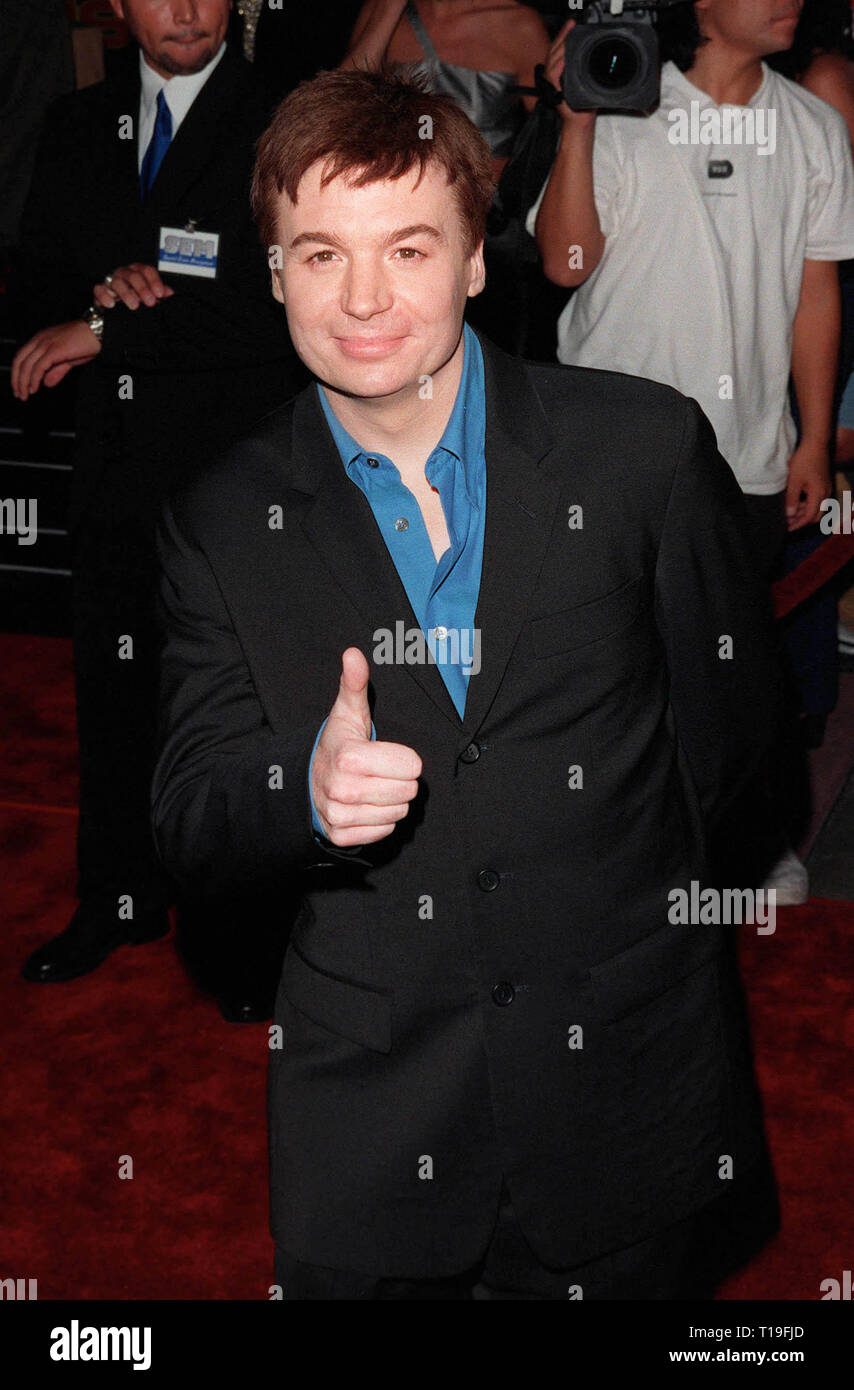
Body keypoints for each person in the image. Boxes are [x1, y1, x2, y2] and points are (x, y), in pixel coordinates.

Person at [152, 66, 784, 1299]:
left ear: (475, 262)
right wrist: (306, 795)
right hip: (375, 1121)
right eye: (321, 255)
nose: (365, 299)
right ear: (274, 272)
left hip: (624, 1082)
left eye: (408, 246)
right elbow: (189, 817)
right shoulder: (217, 520)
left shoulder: (642, 450)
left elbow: (737, 757)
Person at [10, 0, 307, 1021]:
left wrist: (114, 331)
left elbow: (283, 300)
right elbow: (38, 284)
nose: (184, 8)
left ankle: (247, 936)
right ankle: (118, 899)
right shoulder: (75, 125)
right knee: (113, 698)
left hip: (242, 480)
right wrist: (103, 298)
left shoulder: (285, 121)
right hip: (115, 471)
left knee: (242, 713)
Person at [527, 0, 854, 899]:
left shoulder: (815, 128)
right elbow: (566, 264)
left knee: (733, 671)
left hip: (747, 452)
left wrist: (815, 439)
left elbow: (815, 292)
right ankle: (611, 856)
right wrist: (577, 123)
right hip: (607, 453)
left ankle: (747, 845)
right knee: (608, 671)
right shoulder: (622, 103)